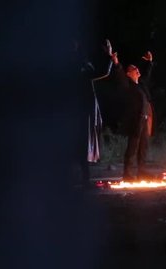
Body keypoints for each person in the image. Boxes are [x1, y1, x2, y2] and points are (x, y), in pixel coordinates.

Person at [70, 38, 113, 185]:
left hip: (80, 109)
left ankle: (82, 177)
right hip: (81, 110)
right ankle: (82, 178)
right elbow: (103, 72)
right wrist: (109, 57)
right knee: (81, 142)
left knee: (81, 143)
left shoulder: (79, 65)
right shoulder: (79, 67)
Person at [111, 47, 155, 181]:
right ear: (128, 73)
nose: (137, 70)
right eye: (134, 69)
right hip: (136, 120)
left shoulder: (140, 84)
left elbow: (146, 74)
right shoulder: (128, 85)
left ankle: (142, 171)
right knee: (133, 147)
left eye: (137, 68)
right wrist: (116, 63)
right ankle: (127, 174)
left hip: (145, 119)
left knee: (143, 147)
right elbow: (119, 76)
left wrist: (149, 62)